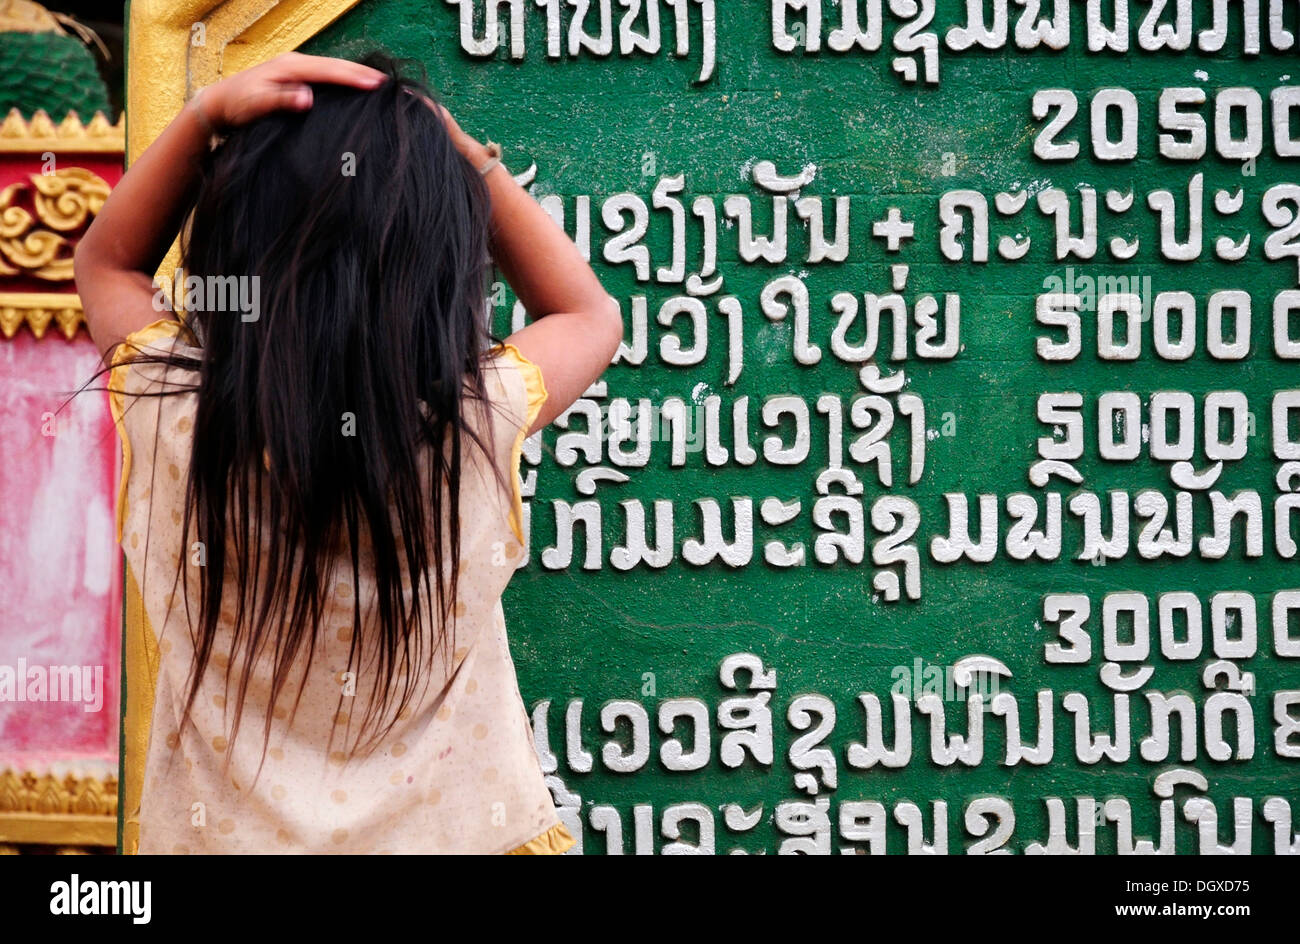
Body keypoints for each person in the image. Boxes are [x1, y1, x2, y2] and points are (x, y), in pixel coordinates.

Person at [73, 50, 622, 854]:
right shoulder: (474, 422)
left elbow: (106, 262)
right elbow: (588, 314)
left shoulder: (176, 417)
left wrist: (201, 121)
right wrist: (470, 161)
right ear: (441, 267)